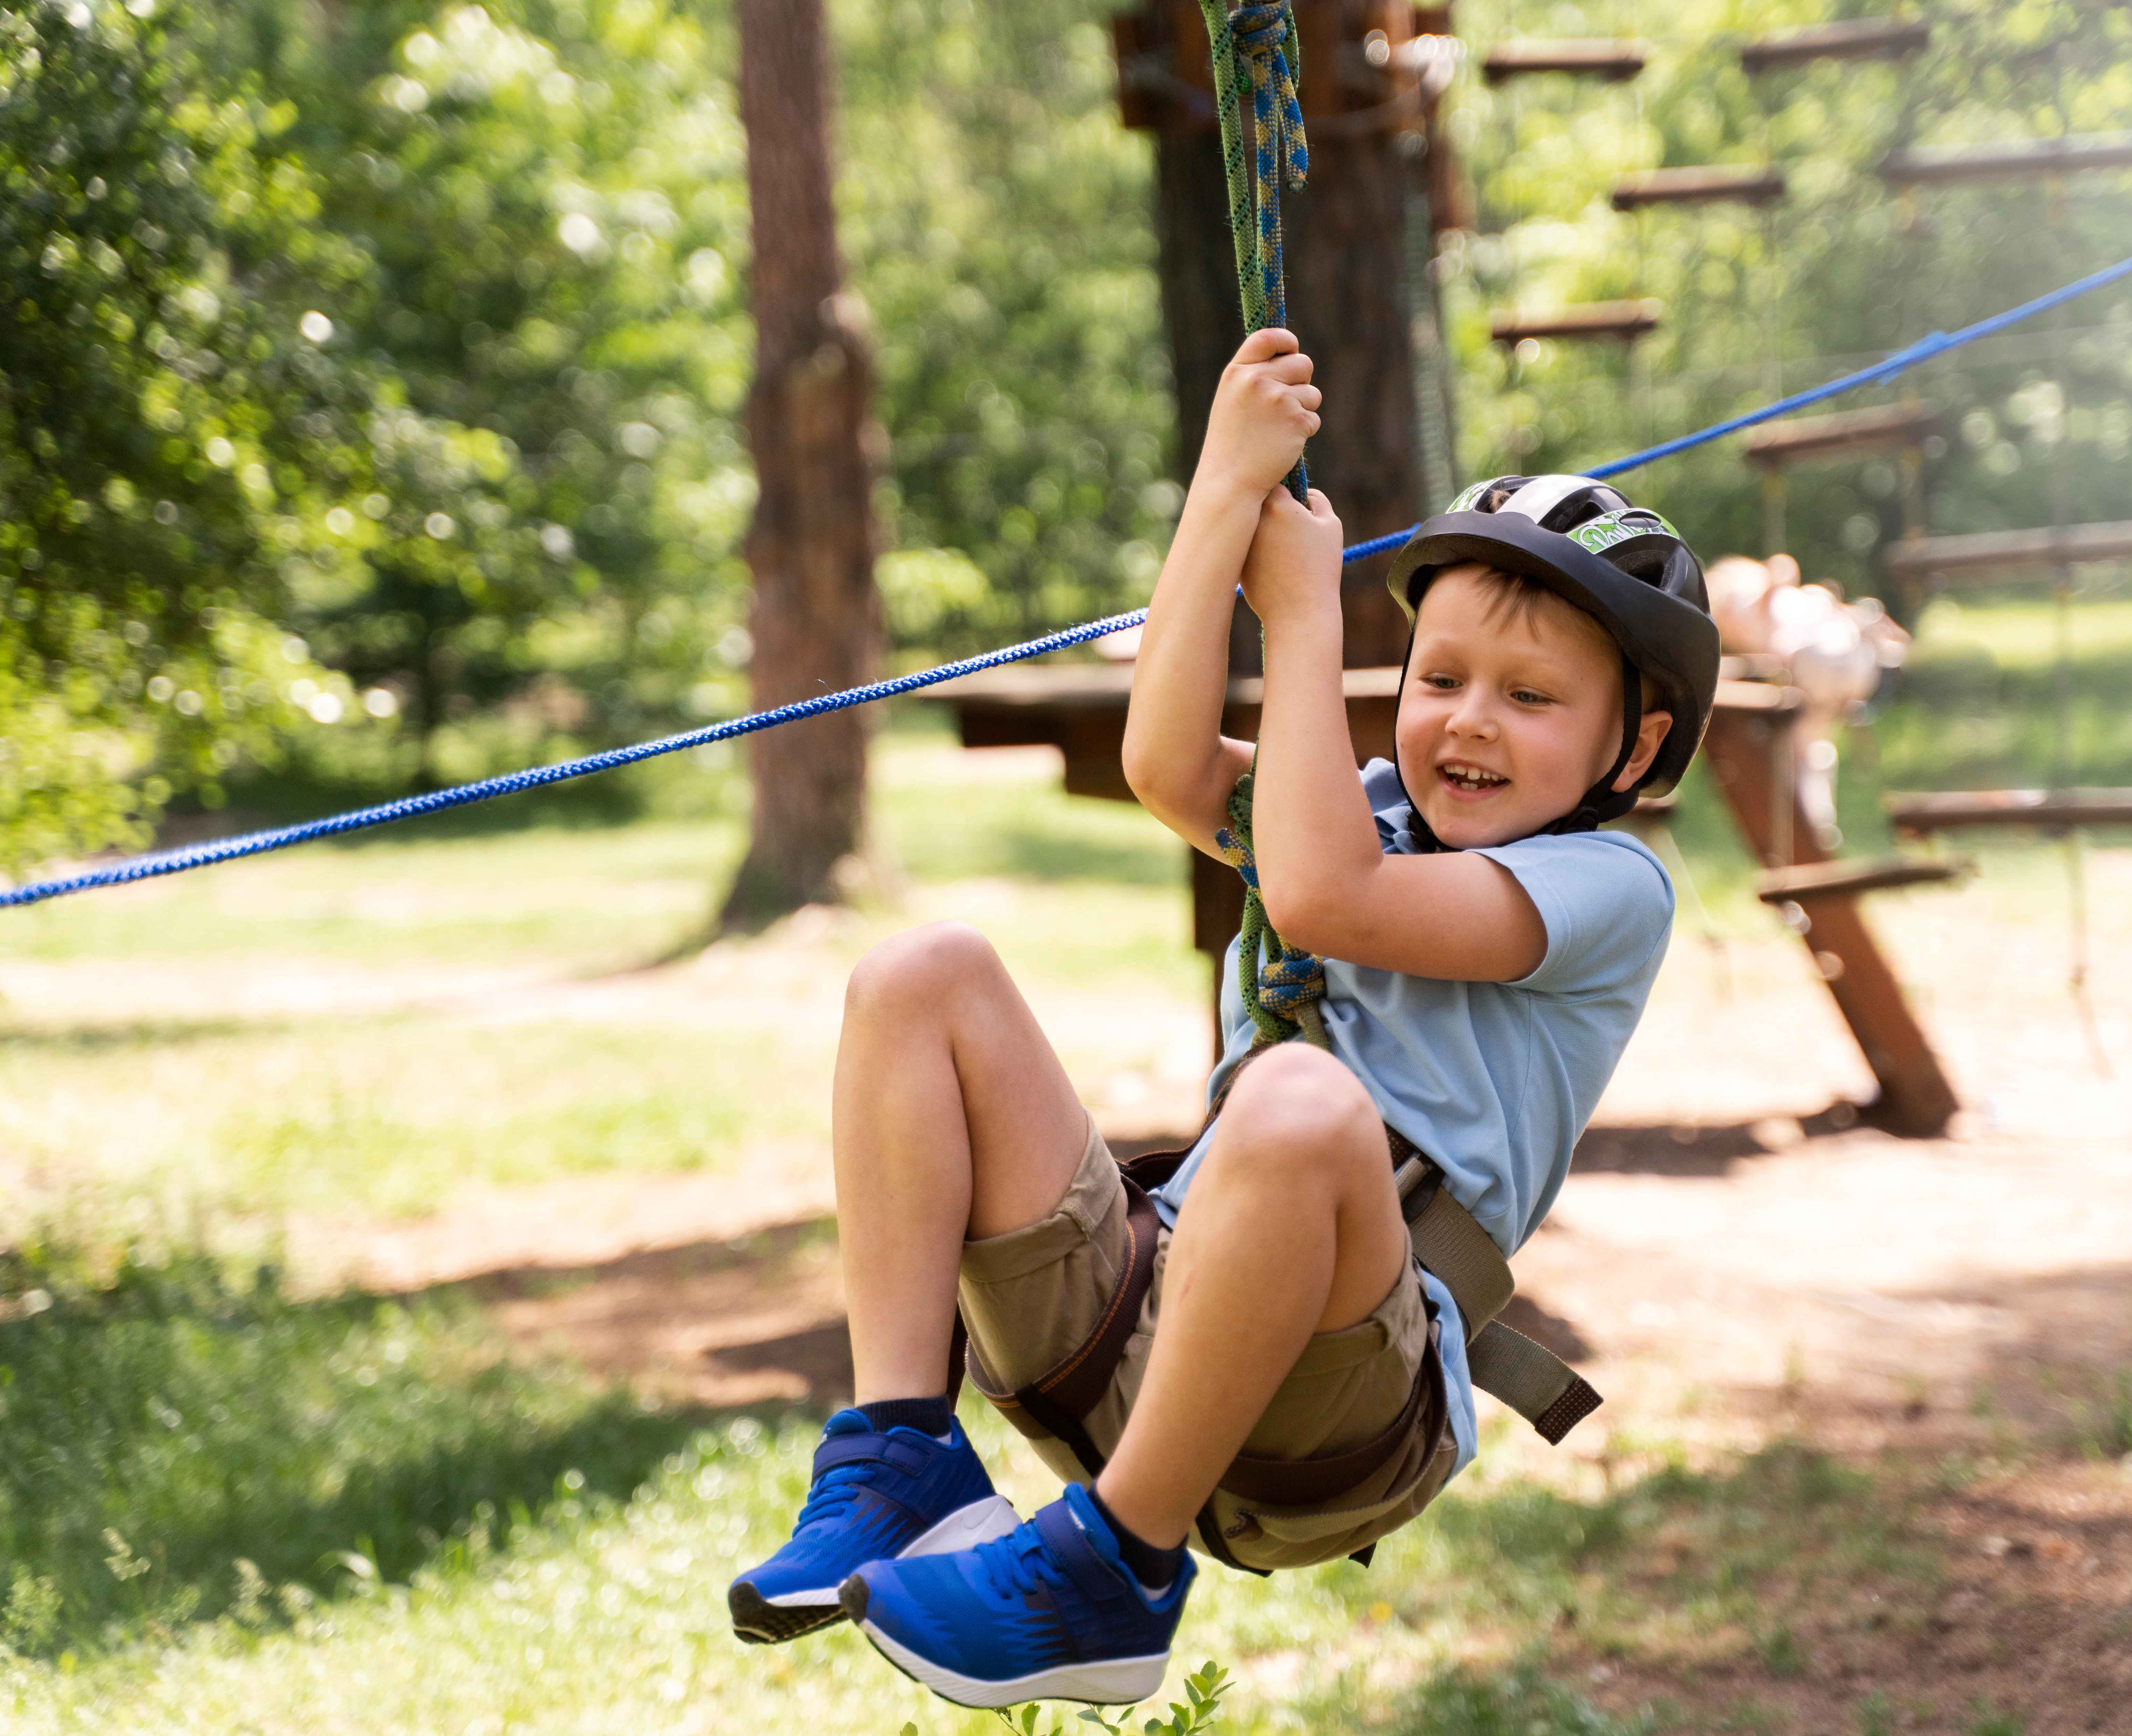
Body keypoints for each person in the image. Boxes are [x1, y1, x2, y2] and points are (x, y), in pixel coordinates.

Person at [726, 329, 1721, 1709]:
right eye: (1439, 681)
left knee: (1305, 1102)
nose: (1465, 724)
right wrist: (1223, 493)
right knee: (923, 975)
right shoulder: (1361, 806)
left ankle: (1111, 1577)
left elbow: (1319, 895)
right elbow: (1167, 762)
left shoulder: (1607, 889)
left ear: (1640, 749)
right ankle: (900, 1453)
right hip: (1144, 1324)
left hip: (1334, 1414)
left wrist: (1306, 620)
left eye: (1531, 698)